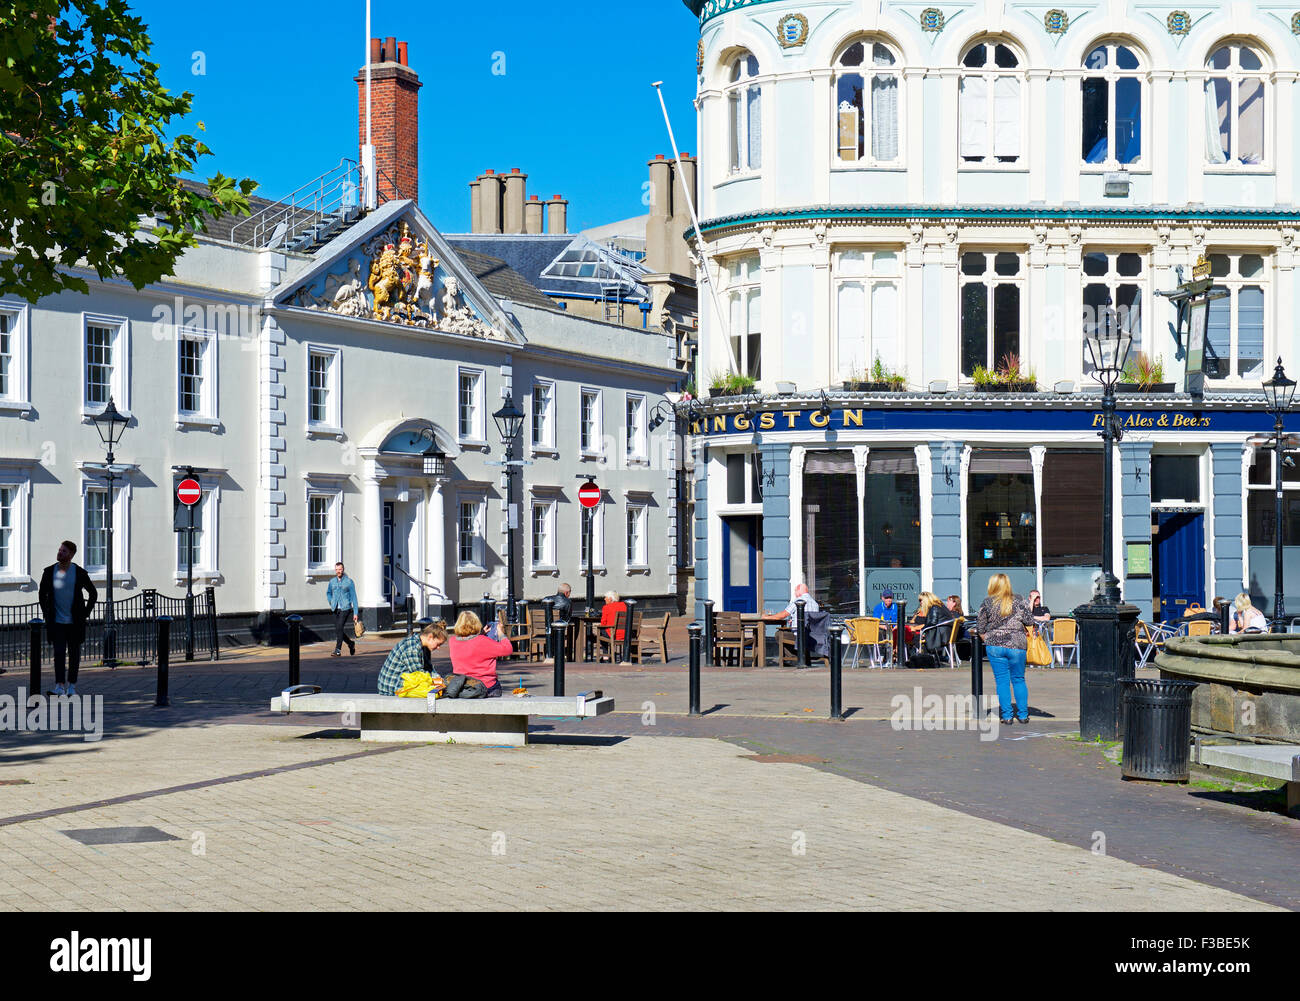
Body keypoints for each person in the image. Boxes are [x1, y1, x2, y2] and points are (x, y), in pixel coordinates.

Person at [38, 541, 97, 697]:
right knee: (58, 654)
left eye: (63, 551)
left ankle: (71, 686)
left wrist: (85, 613)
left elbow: (93, 593)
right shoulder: (50, 571)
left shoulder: (79, 573)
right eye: (59, 550)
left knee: (74, 654)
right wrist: (46, 612)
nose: (60, 553)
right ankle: (59, 686)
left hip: (74, 622)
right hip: (57, 621)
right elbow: (42, 593)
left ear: (71, 555)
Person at [977, 573, 1037, 725]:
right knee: (1018, 679)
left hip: (995, 644)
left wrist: (988, 640)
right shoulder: (1019, 600)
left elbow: (980, 627)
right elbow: (1030, 620)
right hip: (1017, 644)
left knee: (1002, 681)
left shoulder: (987, 602)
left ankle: (1007, 716)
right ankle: (1023, 715)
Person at [446, 610, 513, 697]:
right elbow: (508, 649)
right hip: (485, 686)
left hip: (463, 685)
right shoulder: (482, 641)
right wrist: (500, 633)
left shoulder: (452, 641)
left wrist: (482, 634)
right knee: (496, 686)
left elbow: (469, 645)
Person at [377, 621, 448, 696]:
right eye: (438, 644)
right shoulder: (412, 648)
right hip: (391, 687)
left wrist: (439, 679)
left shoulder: (423, 647)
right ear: (430, 637)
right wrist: (437, 682)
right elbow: (419, 674)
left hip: (400, 684)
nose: (438, 647)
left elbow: (429, 668)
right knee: (430, 692)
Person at [327, 561, 359, 656]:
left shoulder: (349, 582)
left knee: (339, 627)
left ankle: (338, 650)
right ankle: (350, 643)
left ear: (343, 570)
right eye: (337, 569)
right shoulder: (332, 581)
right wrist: (331, 601)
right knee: (338, 629)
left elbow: (354, 597)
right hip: (335, 608)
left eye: (340, 569)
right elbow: (328, 592)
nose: (338, 571)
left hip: (345, 608)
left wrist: (355, 613)